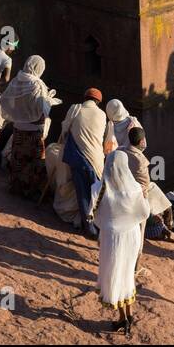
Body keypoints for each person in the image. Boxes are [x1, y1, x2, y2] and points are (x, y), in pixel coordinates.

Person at [88, 149, 149, 336]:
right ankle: (128, 316)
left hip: (112, 238)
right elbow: (144, 212)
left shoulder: (99, 188)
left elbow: (92, 214)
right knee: (127, 275)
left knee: (115, 275)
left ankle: (123, 318)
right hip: (131, 236)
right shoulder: (135, 188)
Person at [2, 55, 60, 198]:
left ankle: (16, 187)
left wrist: (18, 114)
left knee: (19, 158)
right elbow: (41, 108)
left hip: (19, 127)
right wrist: (49, 102)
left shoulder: (17, 81)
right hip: (34, 130)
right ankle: (31, 191)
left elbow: (5, 100)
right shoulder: (37, 84)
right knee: (34, 161)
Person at [61, 88, 111, 239]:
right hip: (96, 161)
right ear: (98, 102)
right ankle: (100, 226)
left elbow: (64, 130)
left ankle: (89, 229)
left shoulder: (75, 109)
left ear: (85, 98)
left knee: (83, 195)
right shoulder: (102, 115)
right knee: (97, 196)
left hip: (78, 159)